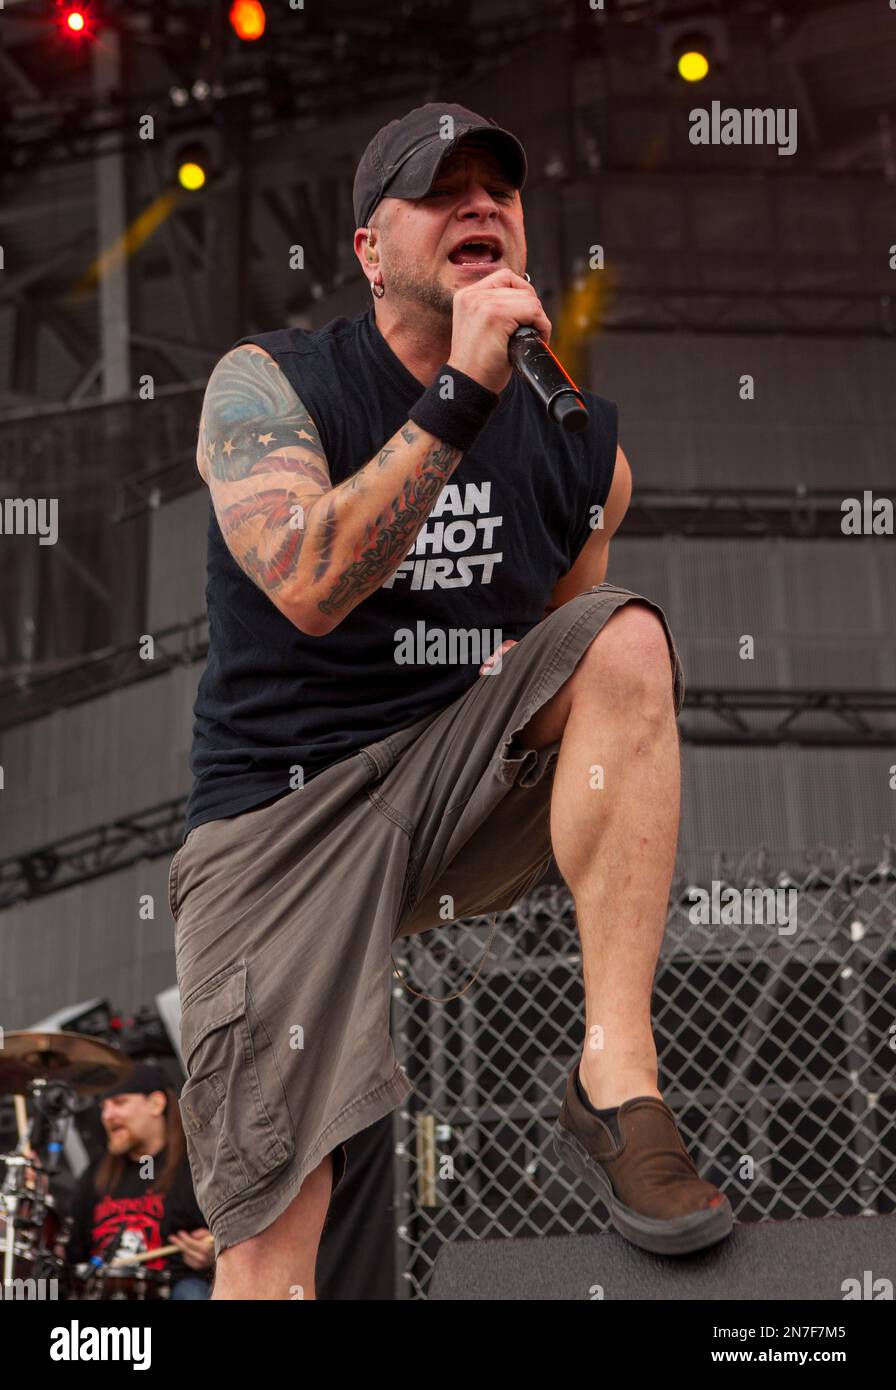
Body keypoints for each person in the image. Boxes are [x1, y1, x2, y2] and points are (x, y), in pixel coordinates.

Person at [169, 100, 733, 1300]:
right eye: (439, 189)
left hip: (448, 786)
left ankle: (613, 1076)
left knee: (622, 638)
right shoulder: (266, 386)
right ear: (371, 250)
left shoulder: (579, 442)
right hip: (281, 826)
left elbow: (561, 649)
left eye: (498, 189)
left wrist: (503, 404)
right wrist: (460, 394)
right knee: (271, 1250)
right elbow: (311, 583)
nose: (479, 203)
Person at [64, 1062, 213, 1300]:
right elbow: (72, 1254)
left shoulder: (196, 1165)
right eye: (103, 1107)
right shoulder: (95, 1174)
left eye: (119, 1103)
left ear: (156, 1103)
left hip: (173, 1288)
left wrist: (213, 1251)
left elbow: (234, 1235)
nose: (107, 1115)